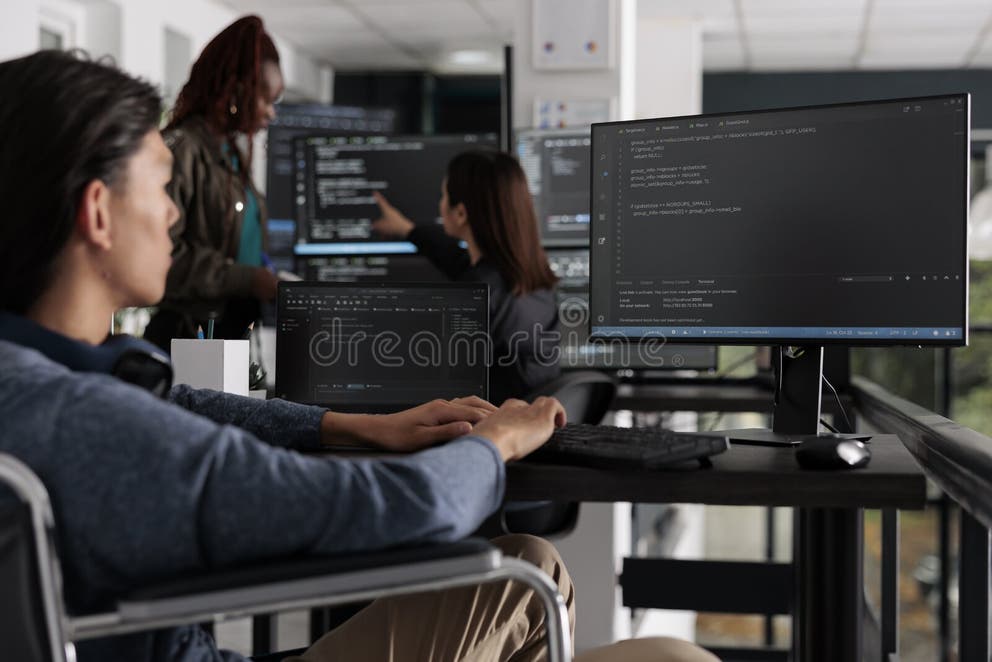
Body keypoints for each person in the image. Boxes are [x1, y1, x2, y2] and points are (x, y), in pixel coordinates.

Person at [0, 50, 719, 662]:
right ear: (97, 211)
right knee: (668, 652)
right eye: (160, 186)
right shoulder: (85, 418)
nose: (176, 214)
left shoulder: (36, 376)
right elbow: (387, 509)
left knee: (530, 562)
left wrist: (349, 425)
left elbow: (177, 404)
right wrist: (496, 441)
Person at [373, 151, 561, 404]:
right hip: (524, 426)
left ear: (460, 214)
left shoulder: (476, 297)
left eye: (444, 196)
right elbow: (460, 262)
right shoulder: (533, 280)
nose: (440, 204)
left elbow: (428, 387)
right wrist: (408, 230)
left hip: (486, 430)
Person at [143, 15, 283, 351]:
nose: (271, 113)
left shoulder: (231, 155)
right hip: (189, 339)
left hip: (230, 334)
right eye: (266, 98)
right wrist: (249, 279)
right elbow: (162, 255)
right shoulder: (180, 150)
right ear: (234, 89)